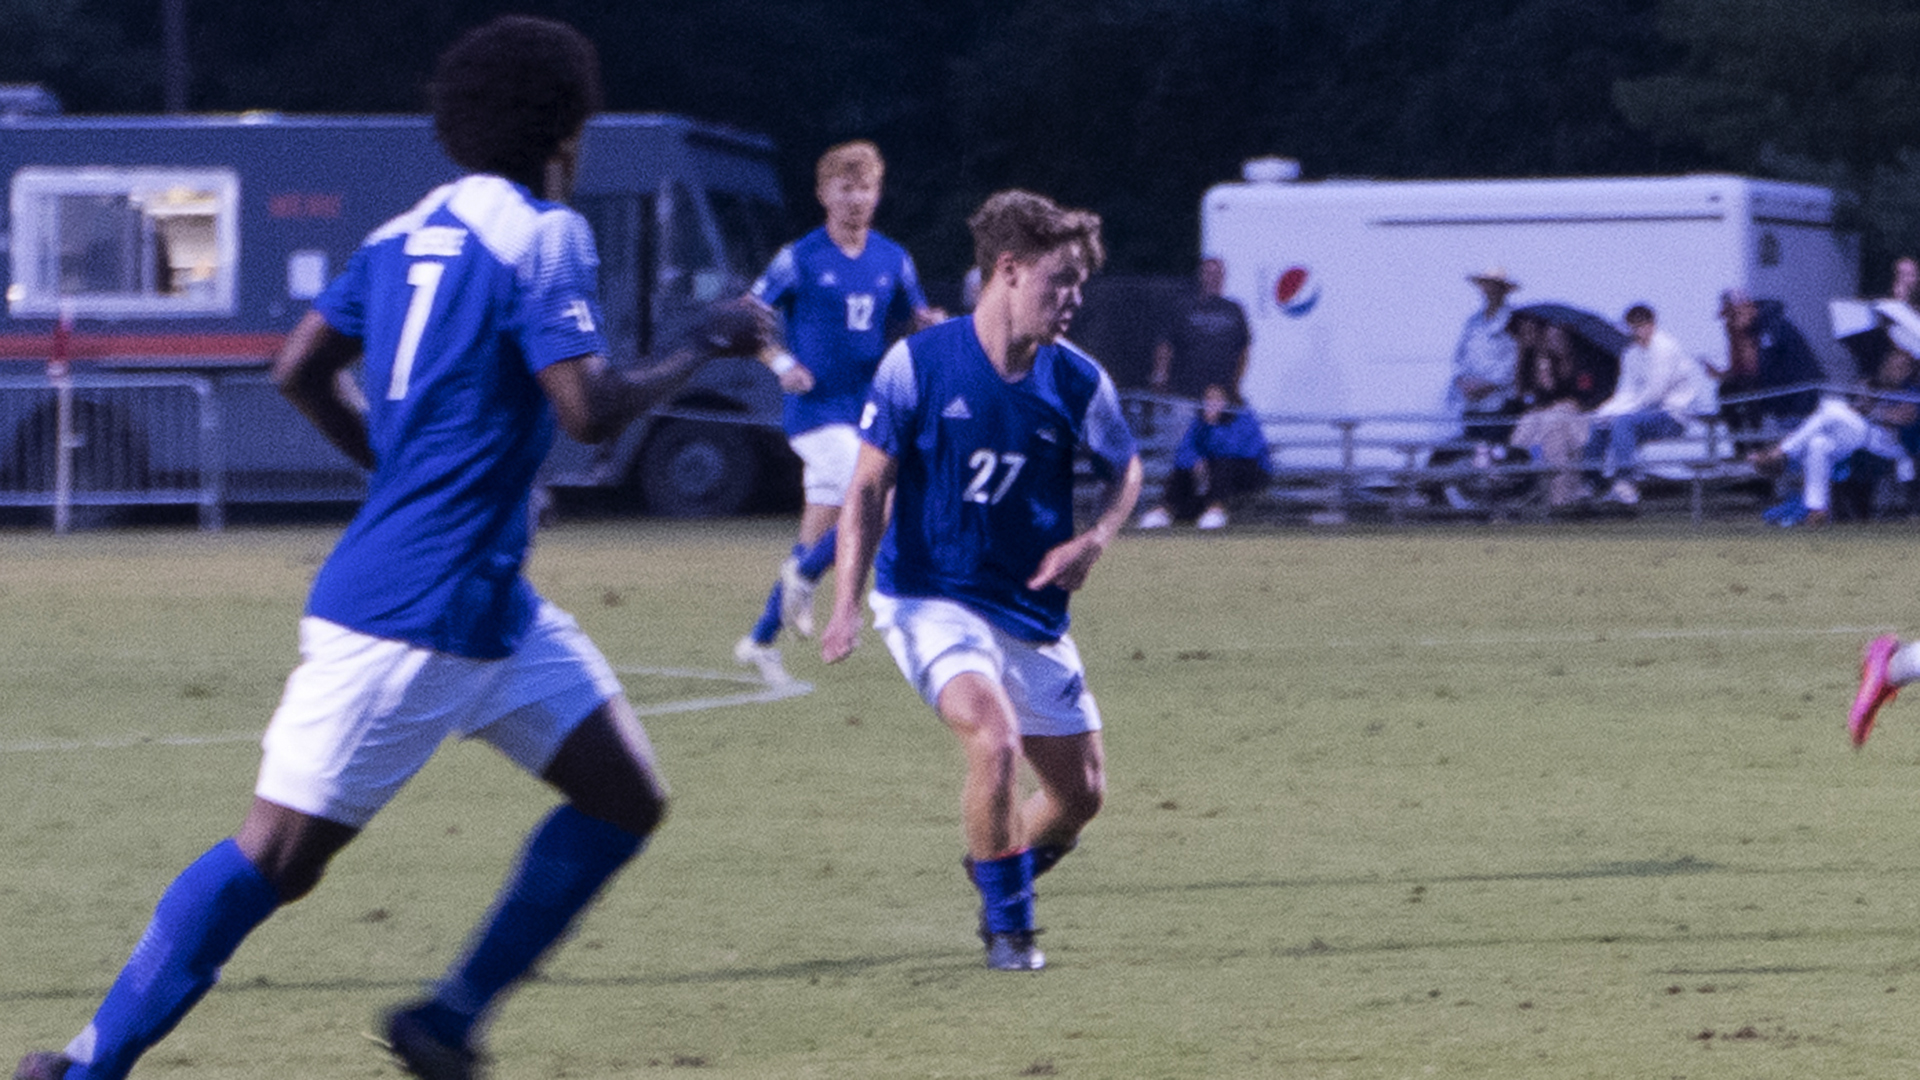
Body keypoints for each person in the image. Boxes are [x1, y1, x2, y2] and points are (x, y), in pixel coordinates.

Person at [12, 17, 770, 1080]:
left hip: (489, 612)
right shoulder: (547, 234)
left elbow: (298, 368)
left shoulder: (405, 230)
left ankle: (450, 1021)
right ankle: (86, 1065)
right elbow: (589, 409)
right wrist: (705, 341)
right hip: (410, 617)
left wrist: (405, 471)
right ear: (566, 125)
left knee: (623, 795)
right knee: (274, 857)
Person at [820, 190, 1142, 972]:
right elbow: (865, 490)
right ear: (1007, 270)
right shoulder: (919, 366)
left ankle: (993, 863)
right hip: (929, 595)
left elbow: (1125, 467)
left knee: (1081, 796)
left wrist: (1094, 537)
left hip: (1028, 606)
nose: (1072, 301)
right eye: (1060, 281)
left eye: (1080, 286)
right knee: (993, 741)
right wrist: (845, 605)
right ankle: (1010, 931)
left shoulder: (1076, 382)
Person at [732, 140, 943, 686]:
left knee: (820, 535)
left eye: (866, 188)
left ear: (877, 194)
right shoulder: (798, 257)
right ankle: (802, 578)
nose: (856, 199)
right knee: (877, 499)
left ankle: (759, 641)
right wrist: (780, 361)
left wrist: (928, 325)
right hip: (815, 413)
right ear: (823, 193)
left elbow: (910, 318)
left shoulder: (893, 259)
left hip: (867, 411)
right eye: (845, 188)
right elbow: (746, 317)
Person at [1748, 345, 1920, 525]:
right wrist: (1870, 401)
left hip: (1893, 444)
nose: (1894, 371)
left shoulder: (1911, 391)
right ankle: (1817, 510)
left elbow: (1902, 417)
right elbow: (1859, 409)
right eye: (1891, 365)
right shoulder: (1875, 385)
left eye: (1901, 368)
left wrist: (1873, 410)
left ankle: (1779, 454)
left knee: (1831, 407)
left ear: (1909, 370)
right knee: (1819, 443)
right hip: (1863, 435)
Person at [1582, 304, 1716, 505]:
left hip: (1671, 415)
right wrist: (1604, 412)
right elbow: (1625, 391)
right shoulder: (1631, 354)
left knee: (1622, 423)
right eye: (1632, 327)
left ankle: (1626, 482)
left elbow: (1655, 393)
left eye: (1640, 326)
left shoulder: (1666, 347)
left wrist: (1619, 413)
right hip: (1640, 412)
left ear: (1652, 325)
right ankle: (1594, 483)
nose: (1636, 332)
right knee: (1599, 424)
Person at [1135, 383, 1270, 529]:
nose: (1212, 403)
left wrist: (1212, 428)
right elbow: (1185, 449)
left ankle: (1216, 509)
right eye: (1209, 399)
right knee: (1181, 471)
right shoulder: (1199, 423)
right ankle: (1163, 510)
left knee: (1223, 467)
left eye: (1217, 399)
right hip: (1209, 468)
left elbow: (1240, 451)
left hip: (1246, 470)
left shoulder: (1243, 418)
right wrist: (1195, 461)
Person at [1715, 289, 1823, 436]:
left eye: (1733, 314)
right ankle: (1743, 445)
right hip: (1777, 400)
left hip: (1796, 399)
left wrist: (1740, 339)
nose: (1730, 321)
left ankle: (1757, 446)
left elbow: (1758, 368)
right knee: (1728, 390)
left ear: (1748, 308)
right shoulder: (1751, 331)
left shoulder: (1772, 328)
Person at [1150, 255, 1251, 403]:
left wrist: (1236, 383)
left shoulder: (1234, 310)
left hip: (1220, 396)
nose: (1213, 279)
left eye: (1218, 274)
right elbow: (1165, 344)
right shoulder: (1182, 307)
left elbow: (1243, 349)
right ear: (1201, 276)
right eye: (1209, 274)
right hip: (1185, 391)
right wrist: (1160, 375)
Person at [1449, 267, 1522, 442]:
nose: (1488, 290)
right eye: (1485, 285)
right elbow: (1461, 357)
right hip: (1472, 402)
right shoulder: (1473, 322)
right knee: (1472, 447)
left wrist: (1488, 384)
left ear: (1503, 290)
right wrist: (1462, 381)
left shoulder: (1514, 321)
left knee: (1494, 450)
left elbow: (1514, 360)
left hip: (1499, 402)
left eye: (1493, 286)